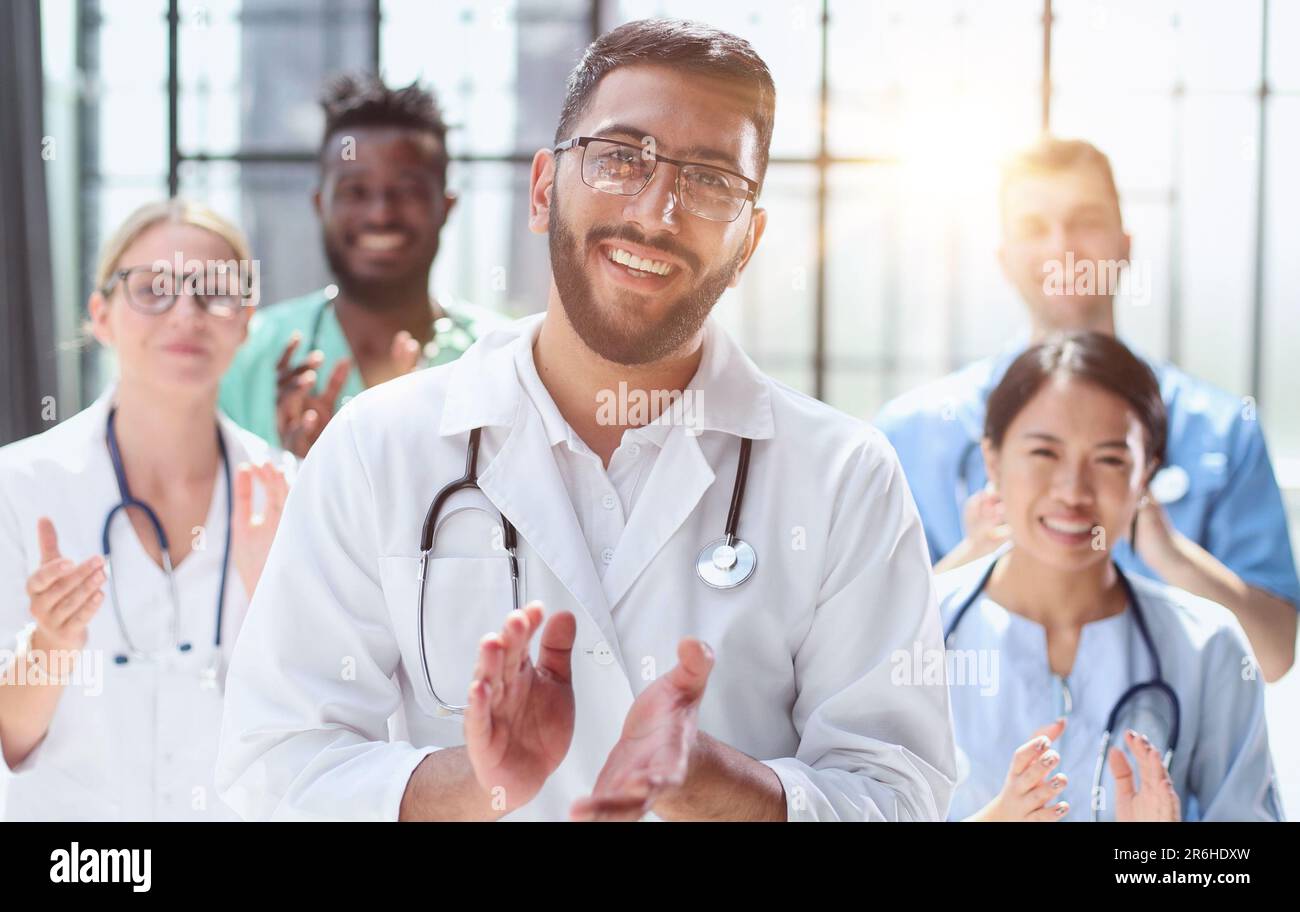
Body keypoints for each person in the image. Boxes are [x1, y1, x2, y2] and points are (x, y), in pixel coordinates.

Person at [216, 19, 955, 822]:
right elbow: (273, 772)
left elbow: (900, 793)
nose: (657, 210)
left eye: (710, 180)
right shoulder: (374, 449)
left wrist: (714, 781)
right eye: (620, 157)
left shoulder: (844, 476)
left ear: (749, 244)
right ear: (543, 191)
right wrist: (474, 781)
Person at [875, 136, 1298, 682]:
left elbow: (1272, 655)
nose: (1062, 249)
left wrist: (1170, 555)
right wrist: (974, 559)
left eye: (1085, 221)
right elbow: (870, 661)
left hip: (1167, 754)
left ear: (1125, 245)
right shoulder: (911, 435)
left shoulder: (1220, 431)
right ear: (1004, 258)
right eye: (1034, 228)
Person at [0, 199, 293, 820]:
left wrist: (273, 597)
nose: (185, 312)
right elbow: (10, 741)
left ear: (245, 321)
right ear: (101, 316)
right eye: (154, 288)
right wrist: (51, 641)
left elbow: (317, 719)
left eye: (214, 291)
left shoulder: (287, 493)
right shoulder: (20, 486)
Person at [939, 332, 1282, 822]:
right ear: (992, 458)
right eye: (1044, 453)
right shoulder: (917, 630)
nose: (1073, 492)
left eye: (1110, 460)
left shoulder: (1207, 645)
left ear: (1146, 476)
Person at [218, 73, 502, 457]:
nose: (381, 214)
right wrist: (302, 471)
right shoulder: (245, 356)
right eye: (355, 191)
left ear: (446, 207)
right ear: (321, 205)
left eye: (407, 191)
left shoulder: (500, 360)